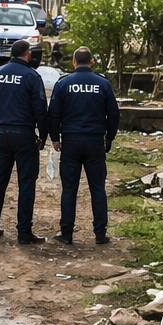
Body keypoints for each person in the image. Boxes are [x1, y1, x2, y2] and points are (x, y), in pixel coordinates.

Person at [48, 46, 120, 245]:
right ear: (92, 62)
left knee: (69, 189)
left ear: (74, 62)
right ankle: (100, 234)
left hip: (71, 142)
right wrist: (109, 137)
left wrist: (55, 137)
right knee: (97, 188)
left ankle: (66, 233)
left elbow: (53, 113)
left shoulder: (63, 84)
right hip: (95, 142)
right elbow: (114, 114)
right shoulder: (103, 83)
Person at [0, 39, 49, 243]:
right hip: (24, 135)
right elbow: (40, 109)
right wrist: (43, 135)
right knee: (26, 183)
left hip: (1, 134)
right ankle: (24, 232)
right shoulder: (32, 76)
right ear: (28, 54)